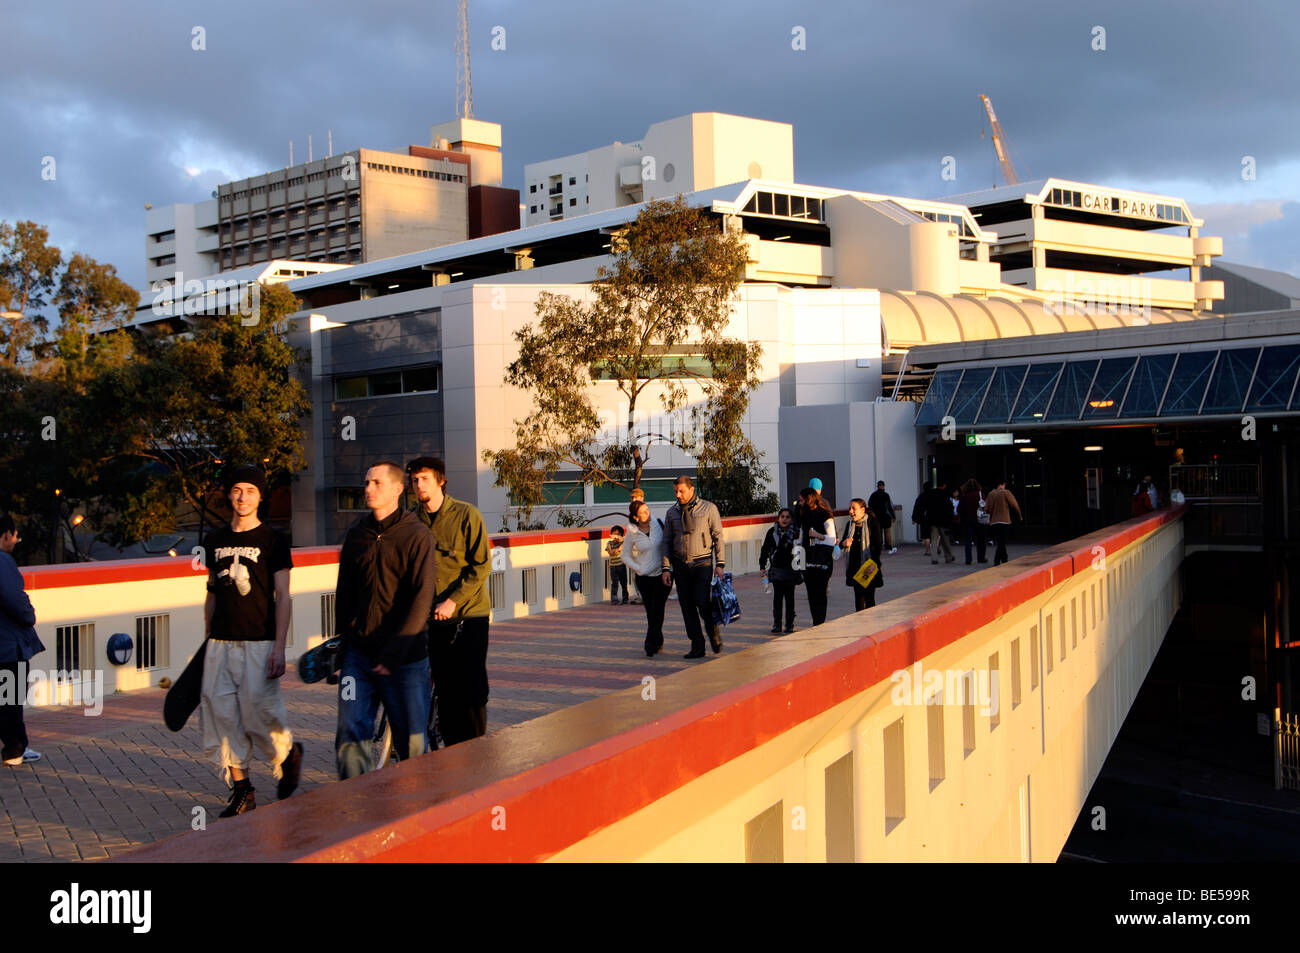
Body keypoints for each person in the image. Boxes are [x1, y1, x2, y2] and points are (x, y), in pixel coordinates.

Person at [200, 465, 300, 816]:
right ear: (230, 494)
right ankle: (243, 790)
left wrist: (279, 647)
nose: (243, 497)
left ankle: (287, 754)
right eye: (237, 490)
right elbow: (211, 590)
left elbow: (284, 597)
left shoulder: (274, 540)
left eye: (251, 491)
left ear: (261, 496)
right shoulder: (213, 540)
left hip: (259, 641)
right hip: (220, 644)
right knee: (221, 715)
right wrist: (208, 635)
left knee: (258, 715)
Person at [334, 462, 436, 778]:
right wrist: (341, 644)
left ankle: (419, 813)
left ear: (396, 489)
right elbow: (344, 594)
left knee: (412, 744)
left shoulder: (417, 535)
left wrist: (394, 653)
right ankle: (358, 811)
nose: (368, 489)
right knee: (350, 734)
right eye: (366, 483)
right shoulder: (357, 535)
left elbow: (422, 600)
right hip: (359, 657)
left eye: (376, 483)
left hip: (404, 659)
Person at [408, 456, 492, 747]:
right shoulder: (411, 521)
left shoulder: (467, 515)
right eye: (415, 480)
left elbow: (481, 565)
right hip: (431, 616)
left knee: (471, 686)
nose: (419, 485)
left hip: (469, 614)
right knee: (444, 686)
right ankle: (452, 752)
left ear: (441, 480)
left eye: (425, 479)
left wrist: (453, 601)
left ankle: (475, 748)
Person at [661, 476, 726, 659]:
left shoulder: (708, 508)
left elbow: (718, 537)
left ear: (691, 489)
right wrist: (666, 568)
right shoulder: (672, 512)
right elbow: (666, 541)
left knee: (702, 602)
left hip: (703, 562)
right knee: (687, 607)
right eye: (676, 492)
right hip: (681, 565)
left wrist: (720, 564)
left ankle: (713, 633)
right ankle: (697, 645)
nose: (678, 495)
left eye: (681, 491)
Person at [0, 515, 43, 767]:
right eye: (15, 536)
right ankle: (15, 749)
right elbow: (14, 598)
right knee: (11, 699)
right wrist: (29, 615)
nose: (15, 542)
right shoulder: (3, 561)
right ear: (6, 534)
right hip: (6, 645)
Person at [625, 501, 670, 656]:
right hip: (644, 579)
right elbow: (625, 555)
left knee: (658, 609)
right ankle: (658, 639)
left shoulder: (660, 524)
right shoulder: (632, 532)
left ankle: (650, 644)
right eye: (643, 512)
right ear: (636, 517)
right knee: (651, 612)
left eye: (647, 510)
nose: (647, 514)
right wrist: (638, 568)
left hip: (662, 575)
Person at [758, 508, 801, 634]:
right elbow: (765, 549)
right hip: (776, 569)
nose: (785, 519)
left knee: (790, 598)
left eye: (788, 517)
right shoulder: (772, 532)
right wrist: (762, 566)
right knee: (777, 598)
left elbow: (800, 550)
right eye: (782, 516)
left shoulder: (796, 532)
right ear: (778, 518)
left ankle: (789, 624)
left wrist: (801, 569)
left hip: (791, 570)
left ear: (791, 519)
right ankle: (777, 624)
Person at [800, 487, 837, 626]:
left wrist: (817, 536)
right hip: (807, 559)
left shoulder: (825, 515)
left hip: (822, 560)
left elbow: (832, 539)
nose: (800, 503)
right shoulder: (803, 515)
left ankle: (820, 621)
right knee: (811, 593)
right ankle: (815, 620)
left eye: (802, 500)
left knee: (820, 592)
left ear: (809, 499)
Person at [840, 498, 883, 611]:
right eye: (850, 508)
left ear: (863, 509)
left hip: (869, 567)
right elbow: (841, 544)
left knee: (869, 599)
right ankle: (861, 625)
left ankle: (872, 626)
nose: (851, 511)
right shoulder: (849, 525)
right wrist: (844, 543)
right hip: (854, 568)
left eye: (854, 508)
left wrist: (873, 564)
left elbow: (877, 546)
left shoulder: (872, 523)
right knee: (858, 600)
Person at [984, 479, 1022, 566]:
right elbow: (1014, 504)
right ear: (1003, 484)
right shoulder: (1006, 492)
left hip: (994, 522)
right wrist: (1019, 516)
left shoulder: (991, 494)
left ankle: (1004, 559)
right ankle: (997, 560)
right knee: (1002, 542)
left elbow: (986, 508)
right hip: (1005, 521)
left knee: (1000, 541)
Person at [957, 478, 988, 565]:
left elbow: (959, 509)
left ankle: (968, 559)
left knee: (968, 540)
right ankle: (981, 558)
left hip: (967, 520)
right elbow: (985, 506)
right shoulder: (980, 494)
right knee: (981, 539)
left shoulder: (964, 496)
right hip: (979, 520)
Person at [927, 482, 956, 565]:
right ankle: (948, 557)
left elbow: (928, 507)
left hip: (933, 521)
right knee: (945, 540)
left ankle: (934, 558)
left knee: (934, 540)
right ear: (943, 486)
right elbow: (949, 508)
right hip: (944, 521)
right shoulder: (945, 495)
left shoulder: (931, 494)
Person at [867, 481, 897, 555]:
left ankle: (878, 546)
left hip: (876, 517)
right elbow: (889, 507)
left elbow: (869, 506)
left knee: (878, 532)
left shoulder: (873, 495)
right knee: (887, 531)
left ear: (877, 486)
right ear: (883, 486)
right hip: (885, 516)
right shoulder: (886, 495)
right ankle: (889, 547)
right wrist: (893, 516)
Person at [627, 489, 645, 604]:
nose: (634, 500)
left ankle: (644, 596)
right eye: (632, 498)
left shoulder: (644, 512)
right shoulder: (632, 513)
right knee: (634, 574)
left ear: (642, 498)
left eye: (636, 497)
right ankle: (641, 595)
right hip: (634, 548)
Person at [606, 525, 629, 605]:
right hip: (613, 566)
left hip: (622, 565)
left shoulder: (623, 542)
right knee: (614, 583)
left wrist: (621, 544)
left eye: (618, 534)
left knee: (624, 583)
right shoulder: (609, 543)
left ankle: (625, 598)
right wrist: (618, 549)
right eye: (614, 534)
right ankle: (614, 599)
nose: (616, 536)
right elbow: (611, 553)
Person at [912, 482, 932, 557]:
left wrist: (914, 518)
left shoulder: (921, 496)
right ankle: (935, 548)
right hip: (933, 518)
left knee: (926, 536)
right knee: (936, 535)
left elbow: (916, 507)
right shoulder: (933, 496)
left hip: (924, 518)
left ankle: (928, 551)